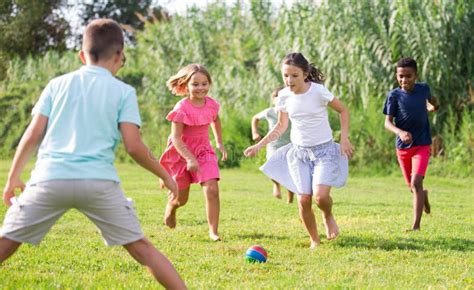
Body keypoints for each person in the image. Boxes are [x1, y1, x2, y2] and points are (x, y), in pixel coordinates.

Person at [0, 19, 186, 289]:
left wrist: (12, 178)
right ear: (120, 55)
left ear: (82, 54)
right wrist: (166, 175)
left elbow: (31, 135)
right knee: (142, 249)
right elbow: (133, 146)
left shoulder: (57, 84)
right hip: (98, 183)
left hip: (50, 179)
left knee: (7, 242)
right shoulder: (124, 92)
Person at [244, 52, 353, 249]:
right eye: (285, 75)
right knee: (303, 199)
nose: (289, 80)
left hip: (324, 152)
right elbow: (280, 126)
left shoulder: (318, 92)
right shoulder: (283, 96)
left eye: (294, 75)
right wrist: (259, 145)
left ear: (305, 73)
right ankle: (314, 240)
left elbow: (343, 110)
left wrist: (344, 138)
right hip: (299, 154)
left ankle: (327, 215)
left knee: (320, 197)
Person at [159, 64, 227, 242]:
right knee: (181, 199)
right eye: (195, 84)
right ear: (186, 85)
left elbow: (215, 119)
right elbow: (176, 138)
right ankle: (172, 207)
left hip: (204, 150)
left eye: (204, 84)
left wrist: (219, 142)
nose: (200, 88)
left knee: (212, 188)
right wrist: (189, 158)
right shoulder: (181, 108)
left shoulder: (211, 105)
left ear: (209, 84)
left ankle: (213, 231)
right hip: (181, 153)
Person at [383, 57, 438, 232]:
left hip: (422, 144)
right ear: (396, 75)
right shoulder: (394, 96)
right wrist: (400, 132)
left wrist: (433, 107)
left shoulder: (424, 89)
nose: (404, 80)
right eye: (401, 76)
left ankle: (416, 226)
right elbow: (387, 122)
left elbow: (434, 101)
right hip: (403, 148)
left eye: (408, 76)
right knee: (413, 187)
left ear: (416, 76)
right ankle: (424, 195)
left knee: (416, 182)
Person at [251, 87, 294, 203]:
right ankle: (276, 184)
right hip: (273, 146)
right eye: (277, 97)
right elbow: (255, 118)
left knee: (289, 172)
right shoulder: (269, 112)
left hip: (290, 146)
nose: (280, 100)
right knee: (270, 167)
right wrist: (255, 132)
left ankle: (290, 199)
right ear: (273, 99)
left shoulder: (292, 111)